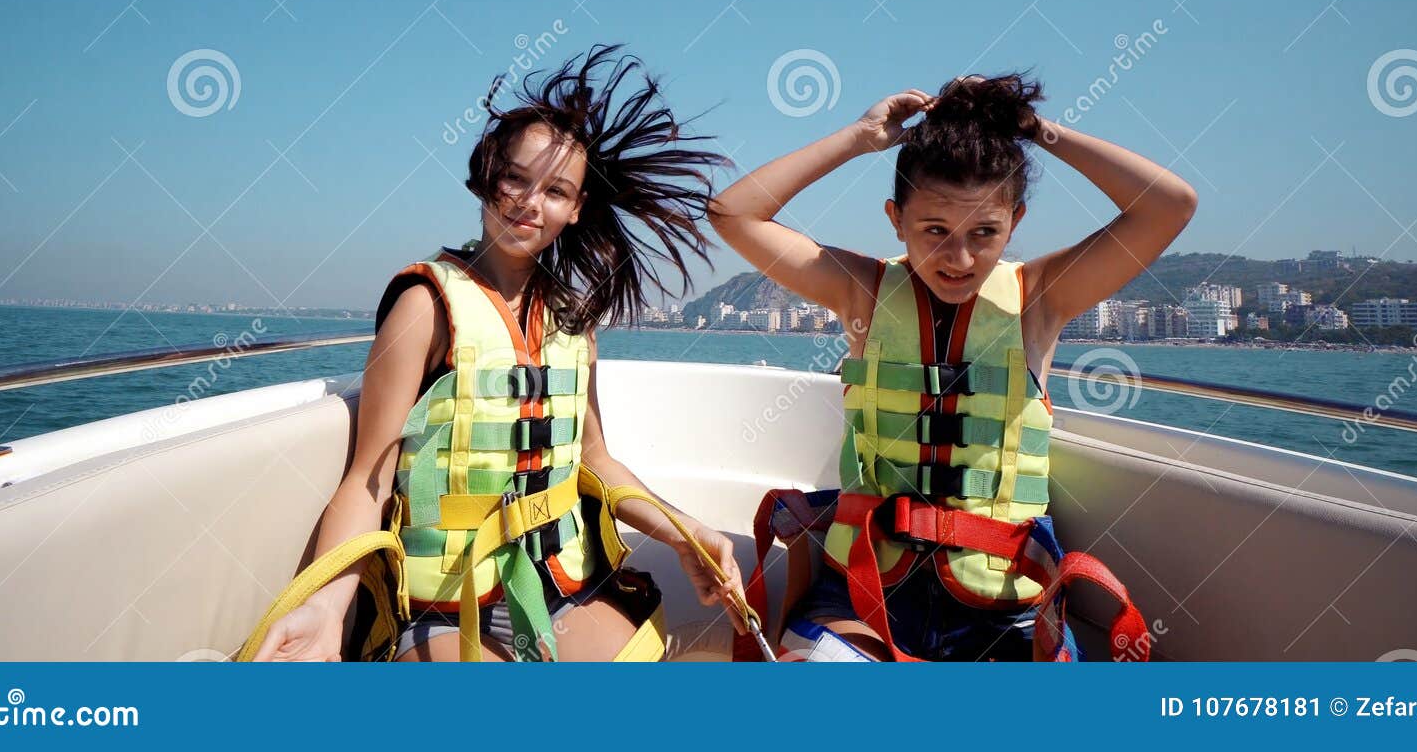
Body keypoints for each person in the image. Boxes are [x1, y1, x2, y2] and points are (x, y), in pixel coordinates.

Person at [252, 45, 746, 662]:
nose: (530, 203)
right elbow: (368, 480)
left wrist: (687, 533)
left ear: (576, 208)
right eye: (516, 178)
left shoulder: (574, 323)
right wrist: (327, 606)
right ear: (487, 175)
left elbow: (595, 459)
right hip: (449, 605)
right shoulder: (425, 307)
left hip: (563, 588)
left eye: (556, 190)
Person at [709, 73, 1194, 661]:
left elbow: (1170, 205)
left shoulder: (1041, 298)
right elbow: (733, 213)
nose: (959, 258)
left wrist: (1038, 130)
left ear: (1015, 221)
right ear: (895, 219)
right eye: (934, 230)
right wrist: (859, 138)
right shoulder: (861, 291)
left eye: (984, 233)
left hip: (1004, 609)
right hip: (868, 593)